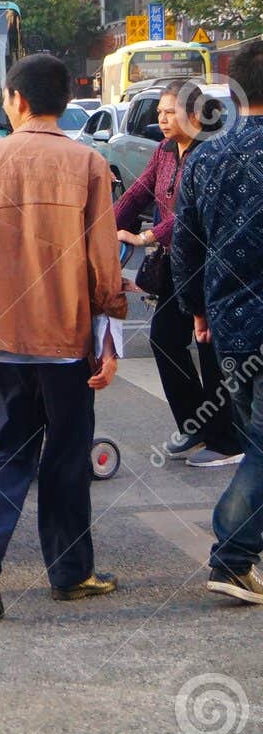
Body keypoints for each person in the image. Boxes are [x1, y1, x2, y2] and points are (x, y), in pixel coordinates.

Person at [0, 54, 126, 621]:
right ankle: (71, 573)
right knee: (67, 456)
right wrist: (110, 335)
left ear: (17, 100)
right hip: (65, 339)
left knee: (2, 448)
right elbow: (103, 260)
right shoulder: (89, 164)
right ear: (63, 101)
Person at [173, 38, 263, 604]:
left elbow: (185, 248)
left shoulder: (206, 155)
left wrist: (199, 313)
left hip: (230, 325)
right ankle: (231, 557)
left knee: (257, 434)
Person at [117, 84, 239, 467]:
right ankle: (194, 425)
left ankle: (227, 440)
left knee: (208, 348)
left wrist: (146, 235)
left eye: (170, 112)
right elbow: (137, 193)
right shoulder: (164, 151)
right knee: (165, 339)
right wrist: (103, 228)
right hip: (175, 263)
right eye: (159, 113)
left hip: (209, 263)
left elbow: (190, 214)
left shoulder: (211, 154)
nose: (162, 120)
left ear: (197, 114)